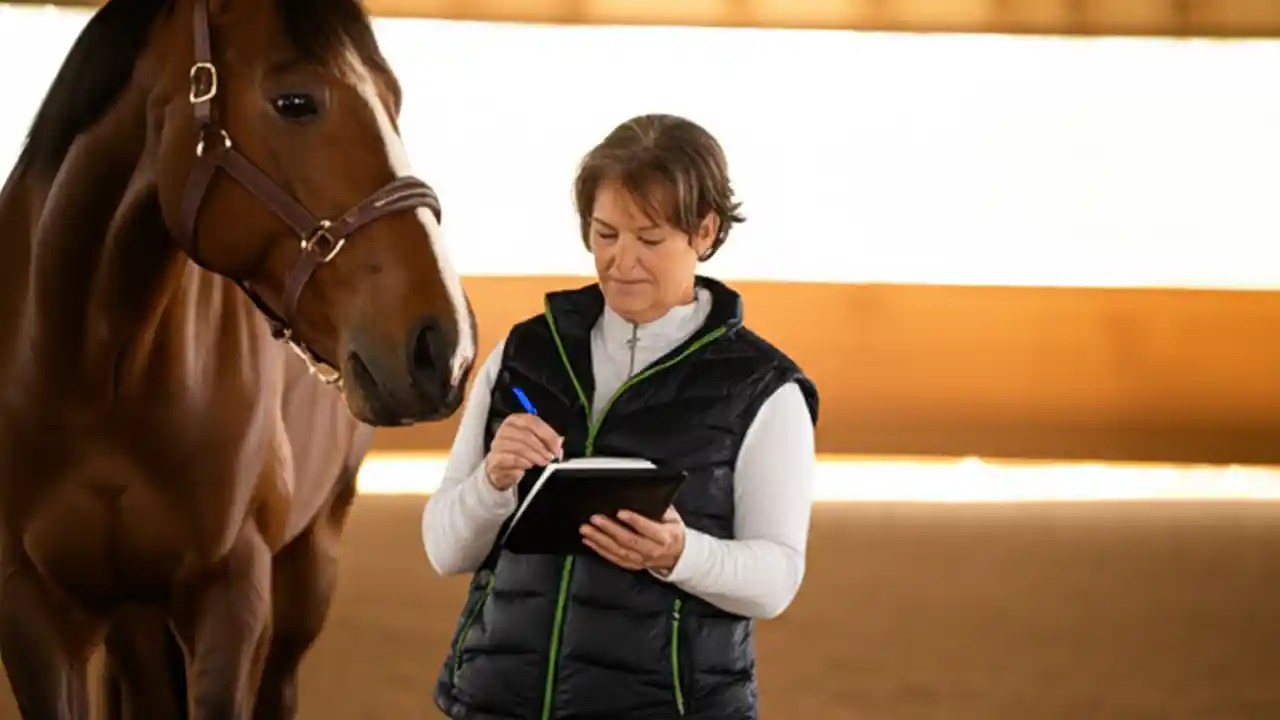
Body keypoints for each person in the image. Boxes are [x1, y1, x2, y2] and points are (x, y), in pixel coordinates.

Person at [422, 113, 819, 720]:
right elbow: (444, 549)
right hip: (496, 702)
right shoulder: (524, 353)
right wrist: (492, 483)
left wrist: (678, 554)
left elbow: (777, 579)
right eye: (605, 234)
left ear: (705, 231)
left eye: (650, 239)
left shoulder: (762, 389)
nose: (621, 261)